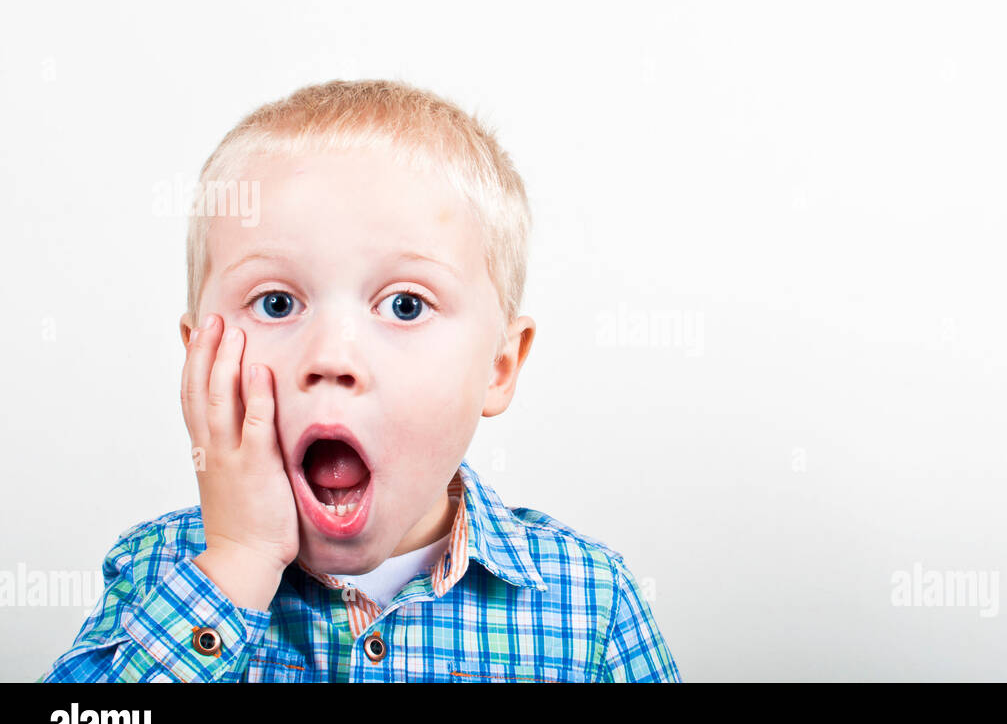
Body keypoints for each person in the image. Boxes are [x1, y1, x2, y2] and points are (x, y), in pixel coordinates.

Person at [39, 79, 680, 683]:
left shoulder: (590, 604)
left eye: (405, 305)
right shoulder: (162, 569)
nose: (333, 357)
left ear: (499, 366)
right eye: (276, 303)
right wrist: (238, 563)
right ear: (200, 364)